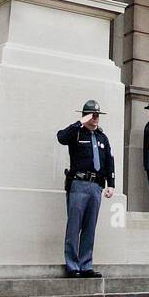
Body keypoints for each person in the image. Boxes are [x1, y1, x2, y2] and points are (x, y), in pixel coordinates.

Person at [57, 101, 115, 278]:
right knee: (74, 226)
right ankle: (72, 265)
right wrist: (79, 122)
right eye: (92, 115)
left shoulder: (102, 137)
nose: (96, 119)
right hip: (79, 184)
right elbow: (61, 137)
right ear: (85, 115)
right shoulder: (76, 133)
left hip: (96, 186)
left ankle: (86, 264)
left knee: (90, 227)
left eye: (97, 115)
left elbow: (109, 161)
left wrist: (110, 184)